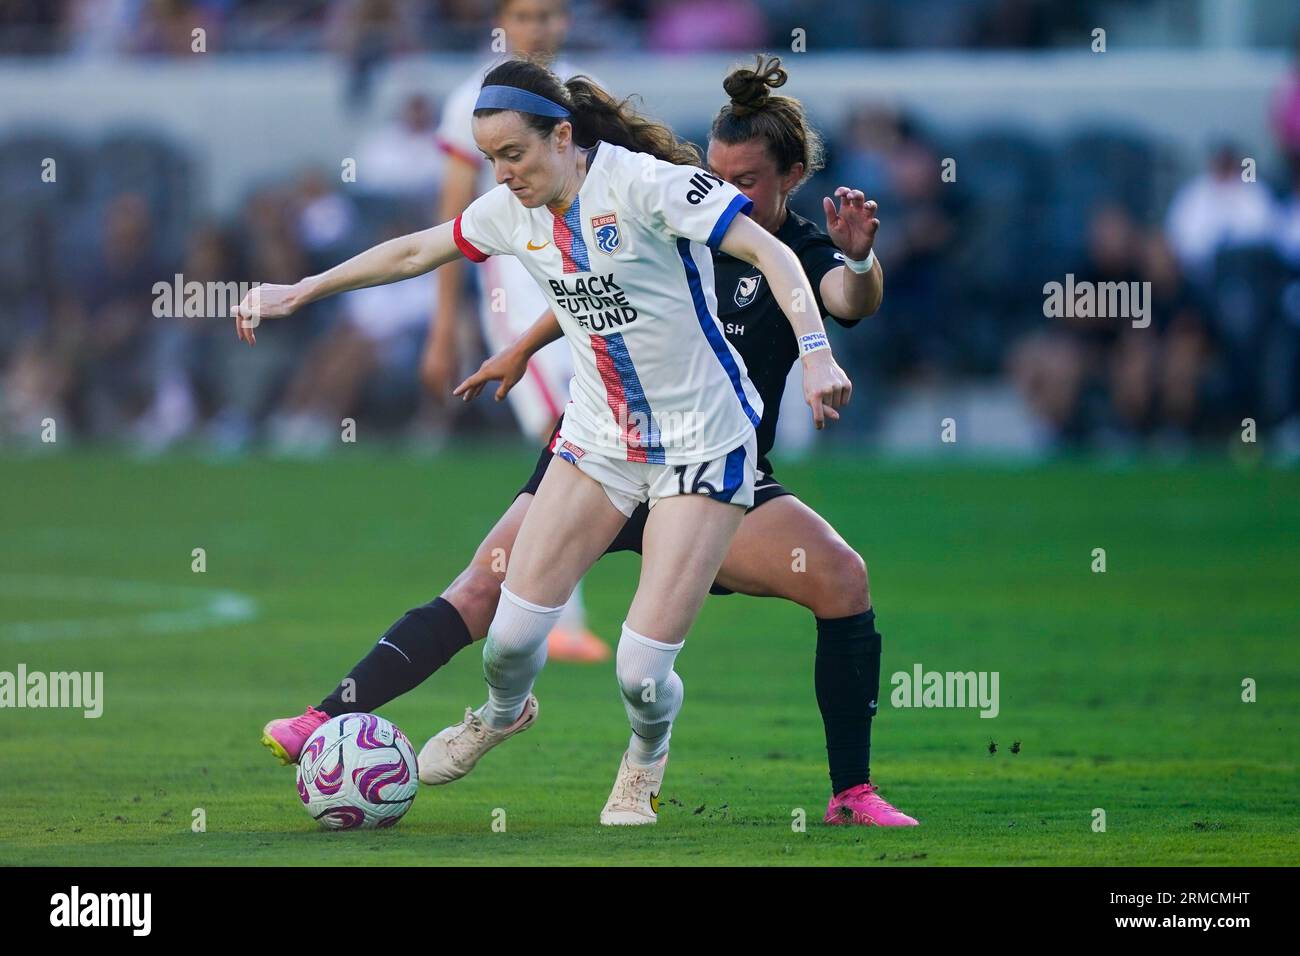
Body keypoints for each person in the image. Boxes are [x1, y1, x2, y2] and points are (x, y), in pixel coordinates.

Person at [263, 55, 917, 828]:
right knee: (500, 624)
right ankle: (487, 712)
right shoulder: (524, 205)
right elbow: (444, 256)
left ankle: (681, 766)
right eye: (492, 159)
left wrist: (818, 348)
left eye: (513, 155)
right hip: (600, 444)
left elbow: (812, 279)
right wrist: (303, 290)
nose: (501, 175)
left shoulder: (671, 196)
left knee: (656, 665)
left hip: (701, 453)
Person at [427, 0, 605, 661]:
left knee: (586, 435)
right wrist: (443, 326)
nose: (541, 27)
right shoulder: (469, 100)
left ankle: (546, 606)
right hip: (518, 288)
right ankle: (556, 615)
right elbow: (450, 219)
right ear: (502, 20)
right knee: (564, 431)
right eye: (528, 13)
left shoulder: (581, 92)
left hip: (587, 286)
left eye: (553, 13)